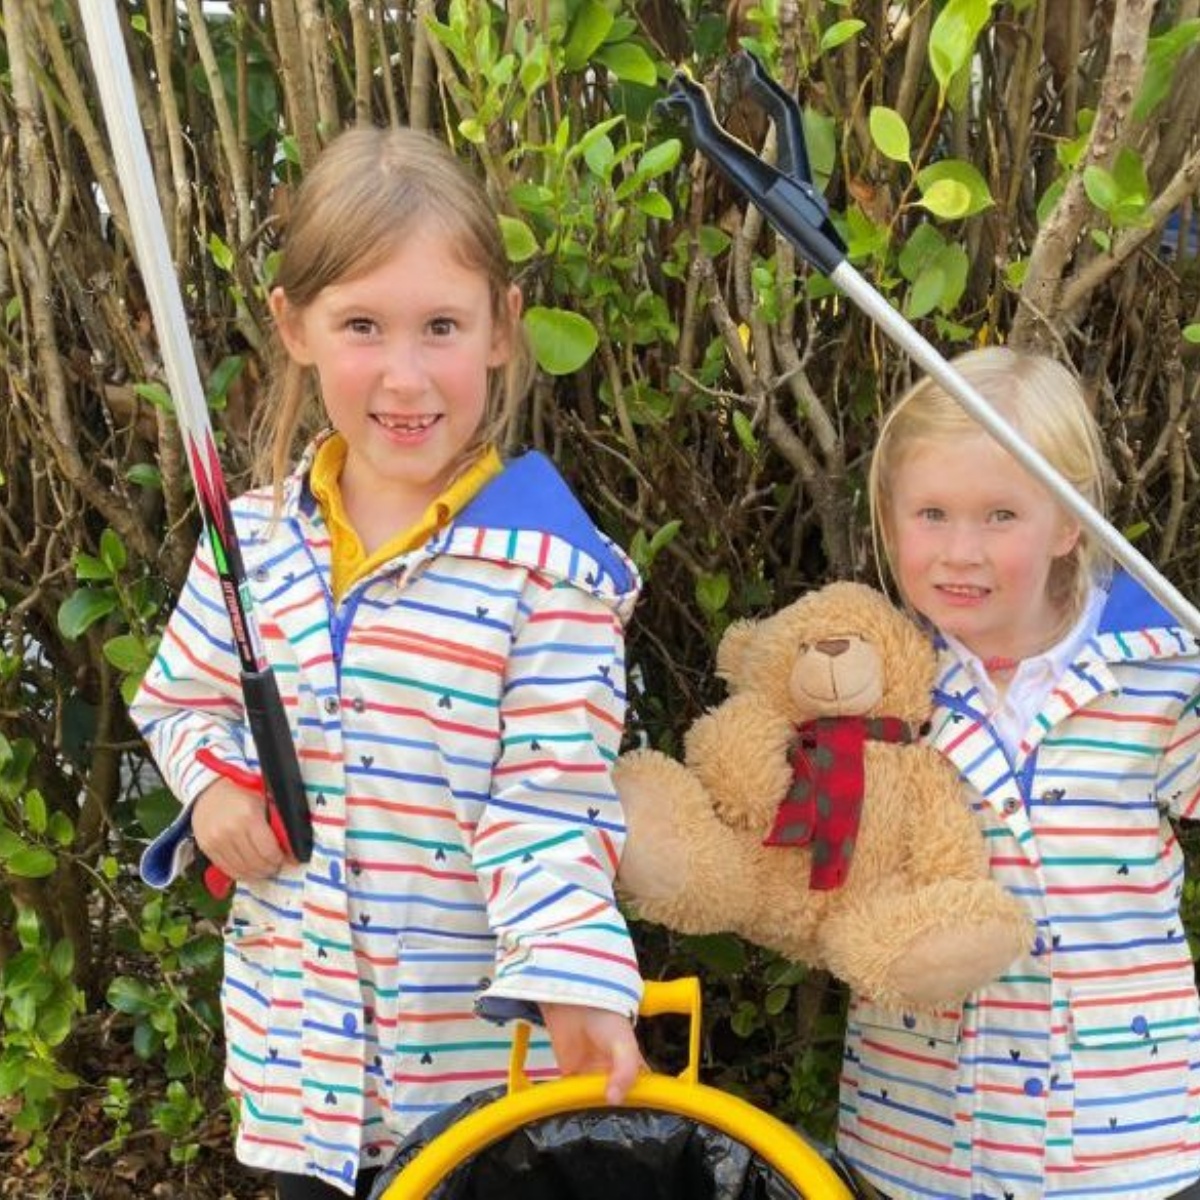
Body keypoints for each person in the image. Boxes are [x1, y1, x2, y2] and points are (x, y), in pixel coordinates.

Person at [130, 125, 645, 1200]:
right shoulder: (249, 543)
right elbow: (181, 703)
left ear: (503, 330)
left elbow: (552, 805)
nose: (405, 376)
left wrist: (577, 985)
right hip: (297, 1079)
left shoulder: (551, 574)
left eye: (441, 326)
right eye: (362, 324)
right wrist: (215, 786)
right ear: (294, 327)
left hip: (475, 1093)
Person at [845, 345, 1200, 1200]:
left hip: (1125, 1147)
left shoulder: (1158, 673)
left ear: (1072, 522)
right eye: (931, 513)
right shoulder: (873, 678)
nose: (959, 551)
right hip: (914, 1145)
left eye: (1000, 516)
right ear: (890, 520)